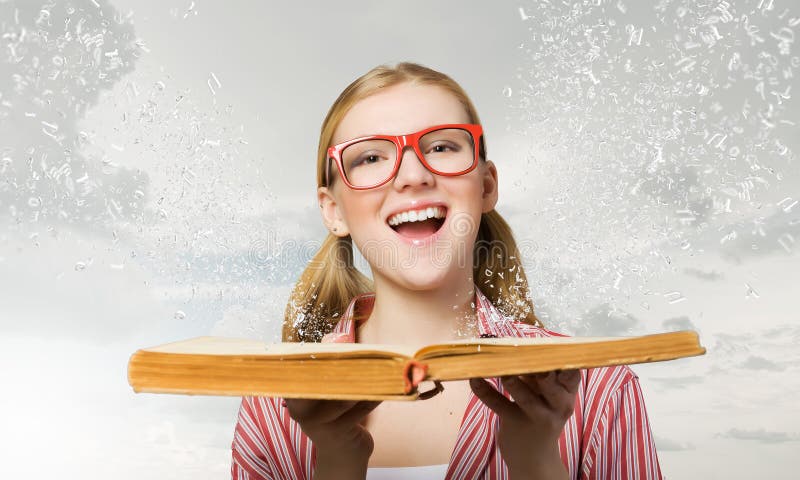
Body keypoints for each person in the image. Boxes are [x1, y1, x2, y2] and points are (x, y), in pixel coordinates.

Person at [230, 62, 663, 479]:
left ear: (486, 186)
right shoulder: (273, 404)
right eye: (371, 158)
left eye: (440, 147)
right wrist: (338, 463)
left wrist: (537, 464)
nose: (413, 175)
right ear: (333, 211)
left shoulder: (599, 388)